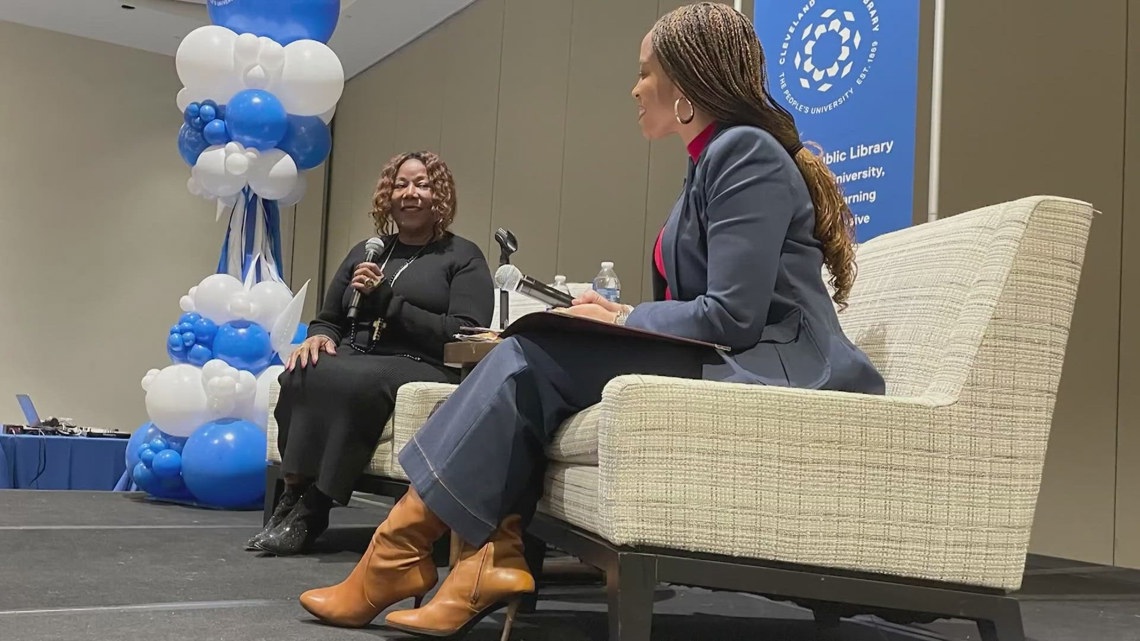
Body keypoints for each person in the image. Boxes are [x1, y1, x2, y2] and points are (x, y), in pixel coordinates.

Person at [296, 3, 886, 637]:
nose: (634, 89)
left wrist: (626, 316)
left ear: (685, 83)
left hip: (777, 365)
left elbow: (735, 316)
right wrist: (620, 315)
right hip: (733, 350)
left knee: (531, 352)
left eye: (644, 73)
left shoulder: (744, 153)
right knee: (526, 353)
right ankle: (466, 562)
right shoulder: (706, 163)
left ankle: (404, 557)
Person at [247, 151, 494, 556]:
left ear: (440, 197)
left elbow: (464, 335)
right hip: (357, 354)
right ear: (387, 195)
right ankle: (293, 492)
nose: (410, 193)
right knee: (302, 369)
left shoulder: (462, 257)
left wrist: (388, 302)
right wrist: (319, 337)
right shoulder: (369, 250)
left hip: (423, 362)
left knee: (353, 379)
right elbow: (329, 317)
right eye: (401, 184)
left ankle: (315, 507)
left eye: (422, 184)